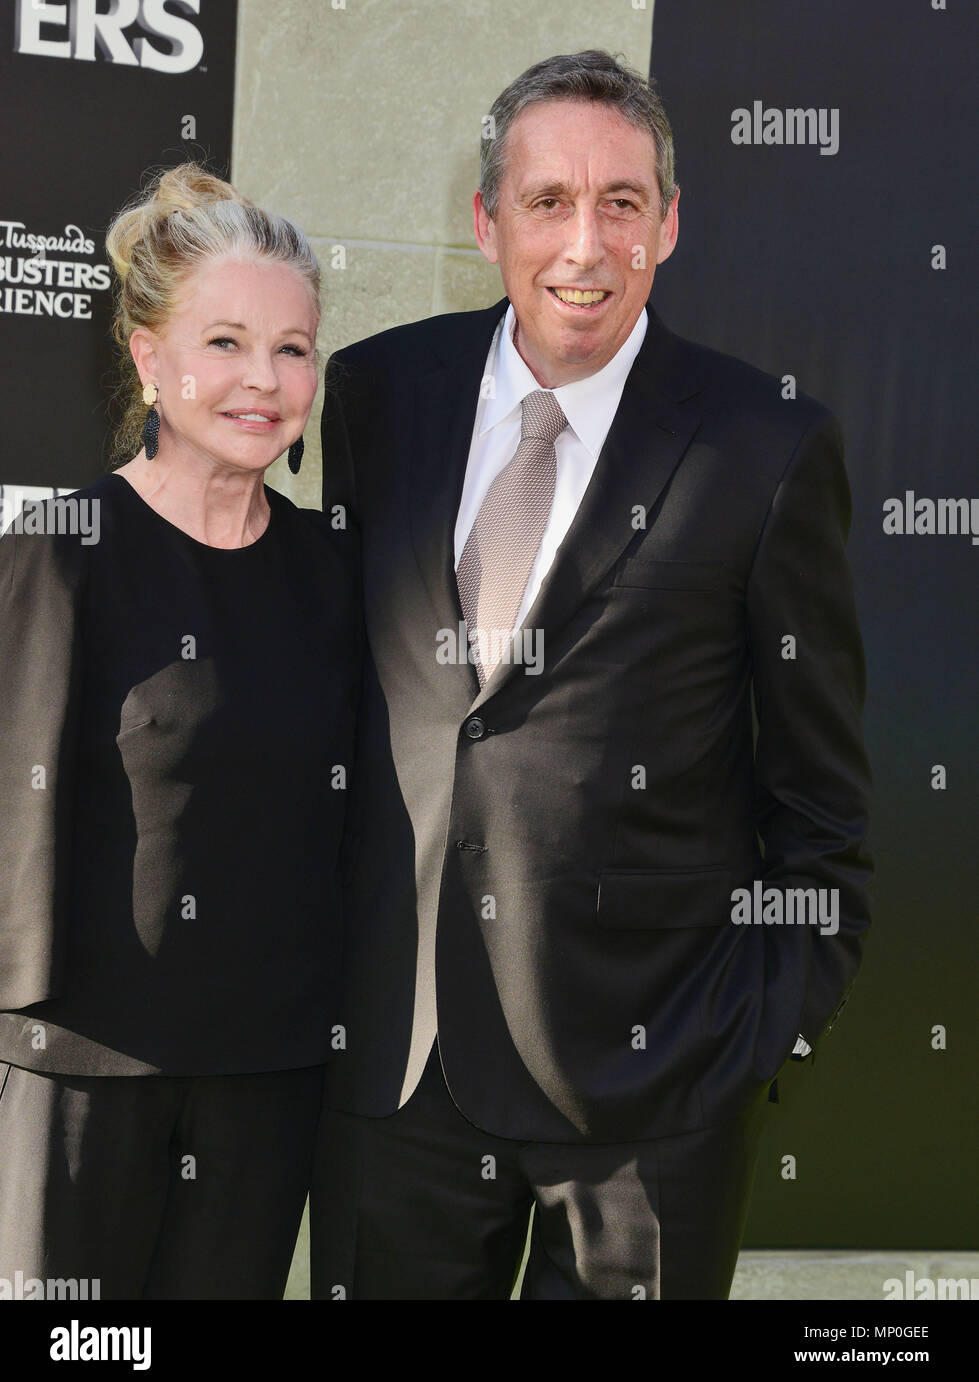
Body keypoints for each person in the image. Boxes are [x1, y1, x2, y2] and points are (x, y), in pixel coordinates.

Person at [310, 50, 873, 1300]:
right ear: (485, 222)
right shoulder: (377, 395)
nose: (586, 243)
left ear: (667, 225)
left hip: (648, 1101)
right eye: (548, 201)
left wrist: (748, 1043)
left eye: (622, 202)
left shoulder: (766, 444)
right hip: (399, 1075)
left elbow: (822, 804)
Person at [0, 163, 360, 1299]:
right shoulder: (59, 551)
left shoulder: (332, 573)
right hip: (76, 1074)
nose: (264, 379)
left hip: (270, 1081)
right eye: (226, 343)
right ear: (150, 359)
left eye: (292, 349)